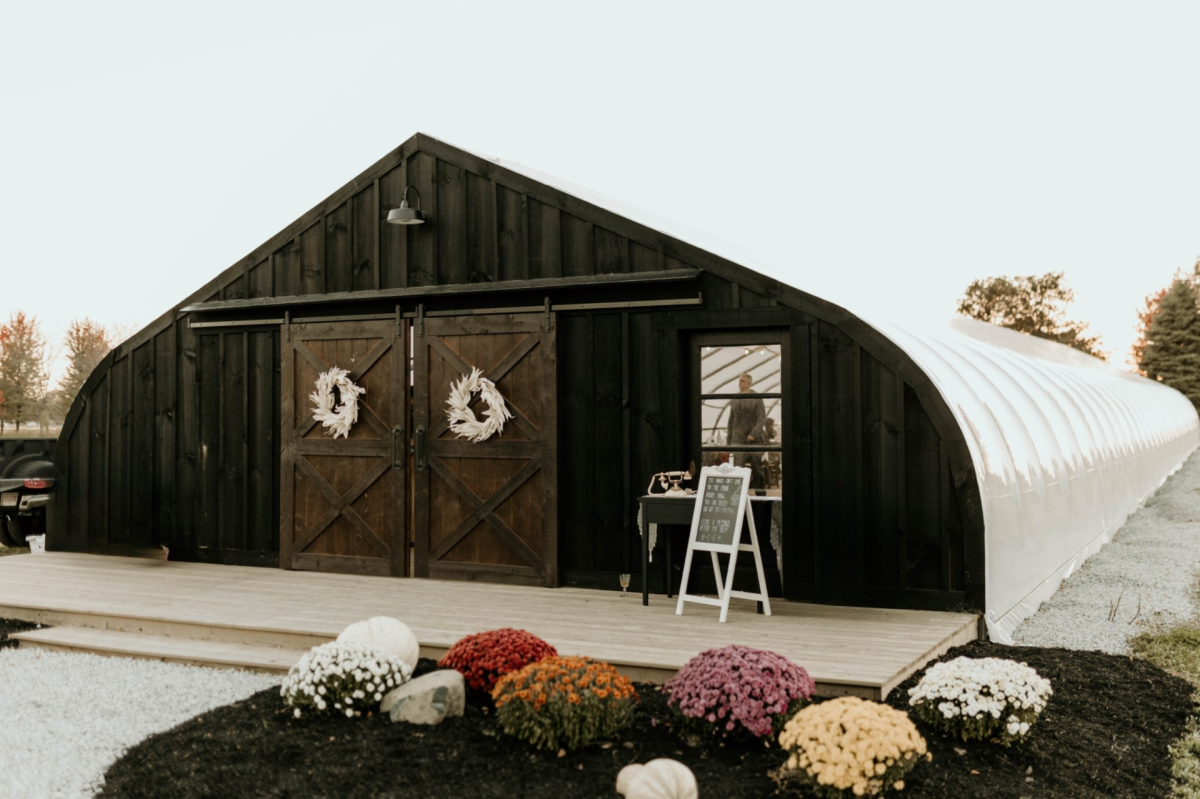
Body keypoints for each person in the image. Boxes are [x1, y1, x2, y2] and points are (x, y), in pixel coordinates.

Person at [727, 372, 767, 491]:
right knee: (737, 470)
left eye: (742, 381)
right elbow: (731, 420)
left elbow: (761, 418)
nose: (739, 383)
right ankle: (737, 496)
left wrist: (753, 434)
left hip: (754, 441)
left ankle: (761, 496)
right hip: (738, 440)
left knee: (757, 468)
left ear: (749, 383)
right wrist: (729, 442)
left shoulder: (757, 399)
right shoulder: (734, 399)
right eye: (739, 381)